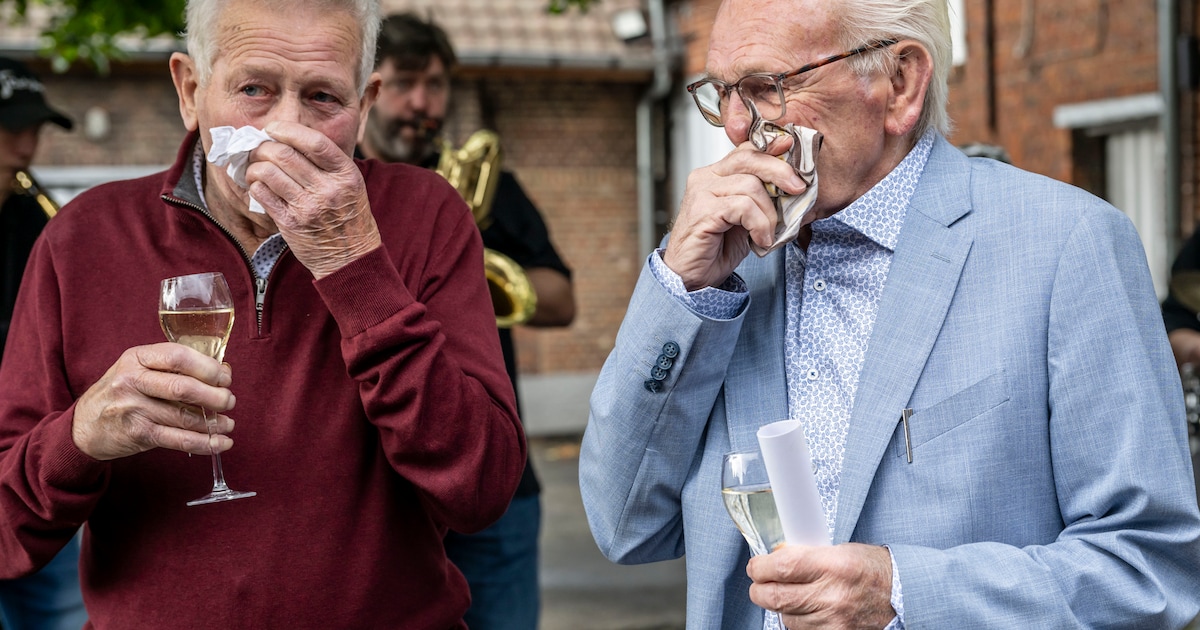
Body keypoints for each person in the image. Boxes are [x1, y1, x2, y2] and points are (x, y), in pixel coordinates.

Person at [579, 0, 1200, 628]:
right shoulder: (725, 270)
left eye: (767, 88)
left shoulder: (1067, 245)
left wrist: (906, 593)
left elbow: (1149, 569)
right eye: (723, 92)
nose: (737, 127)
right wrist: (681, 290)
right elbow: (625, 525)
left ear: (899, 83)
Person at [0, 1, 526, 627]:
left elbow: (482, 489)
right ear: (190, 91)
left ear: (367, 102)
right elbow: (10, 536)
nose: (285, 129)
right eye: (255, 89)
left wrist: (353, 264)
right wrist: (80, 437)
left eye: (324, 98)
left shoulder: (425, 214)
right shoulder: (83, 238)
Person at [359, 13, 576, 630]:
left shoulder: (488, 188)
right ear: (370, 88)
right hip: (376, 491)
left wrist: (465, 260)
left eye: (436, 84)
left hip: (494, 483)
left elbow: (562, 300)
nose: (423, 103)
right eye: (405, 83)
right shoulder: (335, 187)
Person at [0, 56, 88, 630]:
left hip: (24, 461)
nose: (28, 145)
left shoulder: (38, 216)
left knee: (57, 613)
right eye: (12, 128)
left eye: (35, 128)